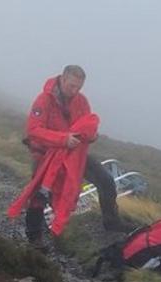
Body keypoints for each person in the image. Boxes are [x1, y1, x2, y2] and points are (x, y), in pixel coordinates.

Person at [22, 65, 129, 243]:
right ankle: (34, 236)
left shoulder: (82, 102)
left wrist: (92, 136)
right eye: (71, 86)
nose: (75, 91)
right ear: (62, 79)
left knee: (106, 180)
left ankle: (112, 221)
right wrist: (63, 139)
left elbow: (88, 126)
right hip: (46, 155)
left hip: (74, 156)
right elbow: (33, 130)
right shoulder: (44, 100)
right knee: (39, 194)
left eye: (78, 87)